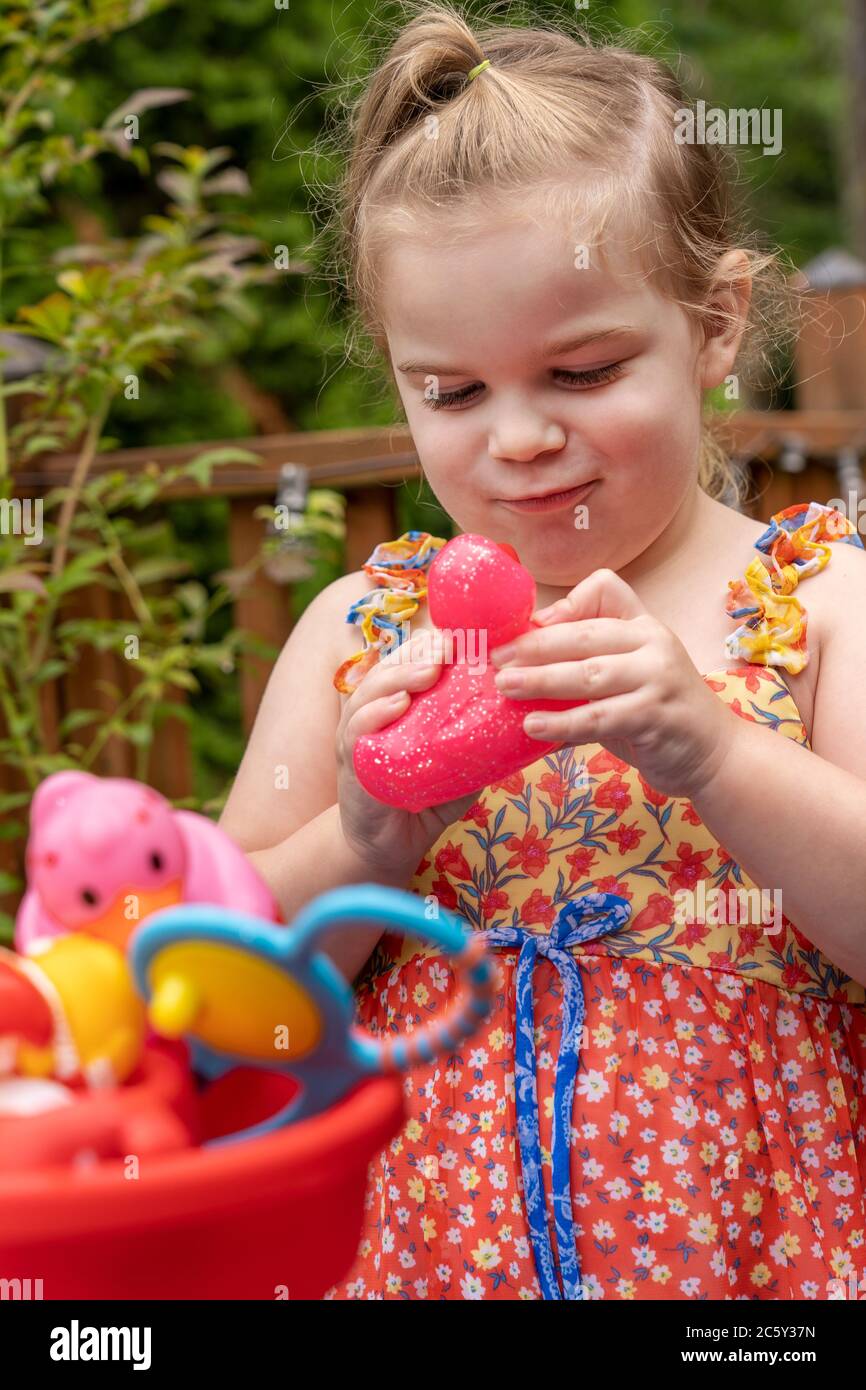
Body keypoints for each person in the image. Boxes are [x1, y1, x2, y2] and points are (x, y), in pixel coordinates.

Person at [220, 5, 866, 1299]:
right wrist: (360, 837)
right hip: (418, 1248)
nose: (514, 437)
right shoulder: (361, 633)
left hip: (748, 1255)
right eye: (451, 391)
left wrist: (716, 755)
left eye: (579, 370)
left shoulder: (816, 606)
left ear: (717, 321)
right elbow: (223, 992)